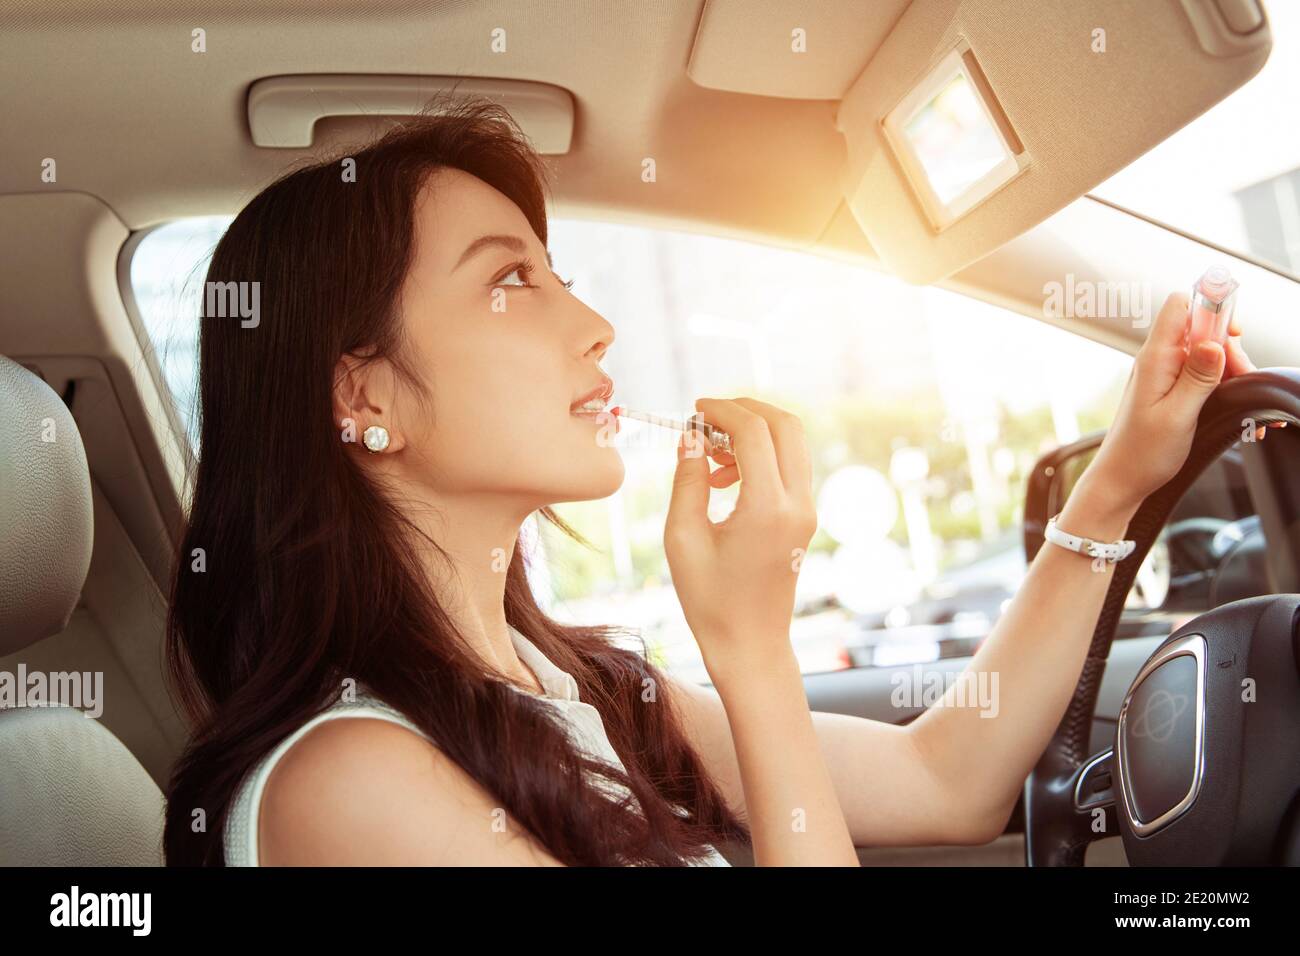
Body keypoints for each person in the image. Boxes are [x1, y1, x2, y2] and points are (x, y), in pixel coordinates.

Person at [161, 97, 1278, 867]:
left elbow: (951, 777)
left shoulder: (572, 689)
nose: (596, 327)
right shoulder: (349, 786)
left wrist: (1116, 483)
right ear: (363, 395)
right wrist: (751, 648)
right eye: (511, 281)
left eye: (565, 278)